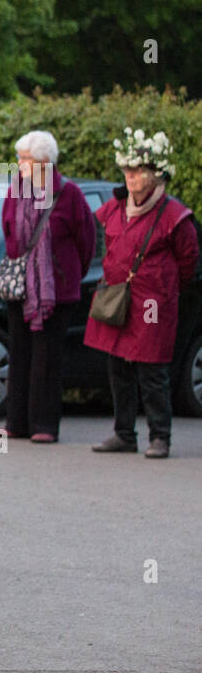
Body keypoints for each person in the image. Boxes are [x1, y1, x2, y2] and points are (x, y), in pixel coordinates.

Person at [87, 128, 198, 458]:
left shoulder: (173, 215)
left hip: (153, 301)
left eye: (137, 171)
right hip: (117, 296)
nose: (131, 177)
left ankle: (159, 437)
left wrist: (163, 288)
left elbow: (189, 259)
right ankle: (124, 434)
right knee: (118, 366)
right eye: (127, 170)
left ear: (154, 175)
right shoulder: (115, 208)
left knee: (152, 369)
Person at [0, 131, 96, 442]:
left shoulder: (70, 194)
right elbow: (8, 230)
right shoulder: (16, 190)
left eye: (24, 158)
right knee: (20, 353)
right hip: (21, 287)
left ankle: (44, 425)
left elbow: (87, 241)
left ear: (43, 162)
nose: (19, 163)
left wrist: (64, 276)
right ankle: (16, 422)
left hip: (57, 291)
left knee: (47, 358)